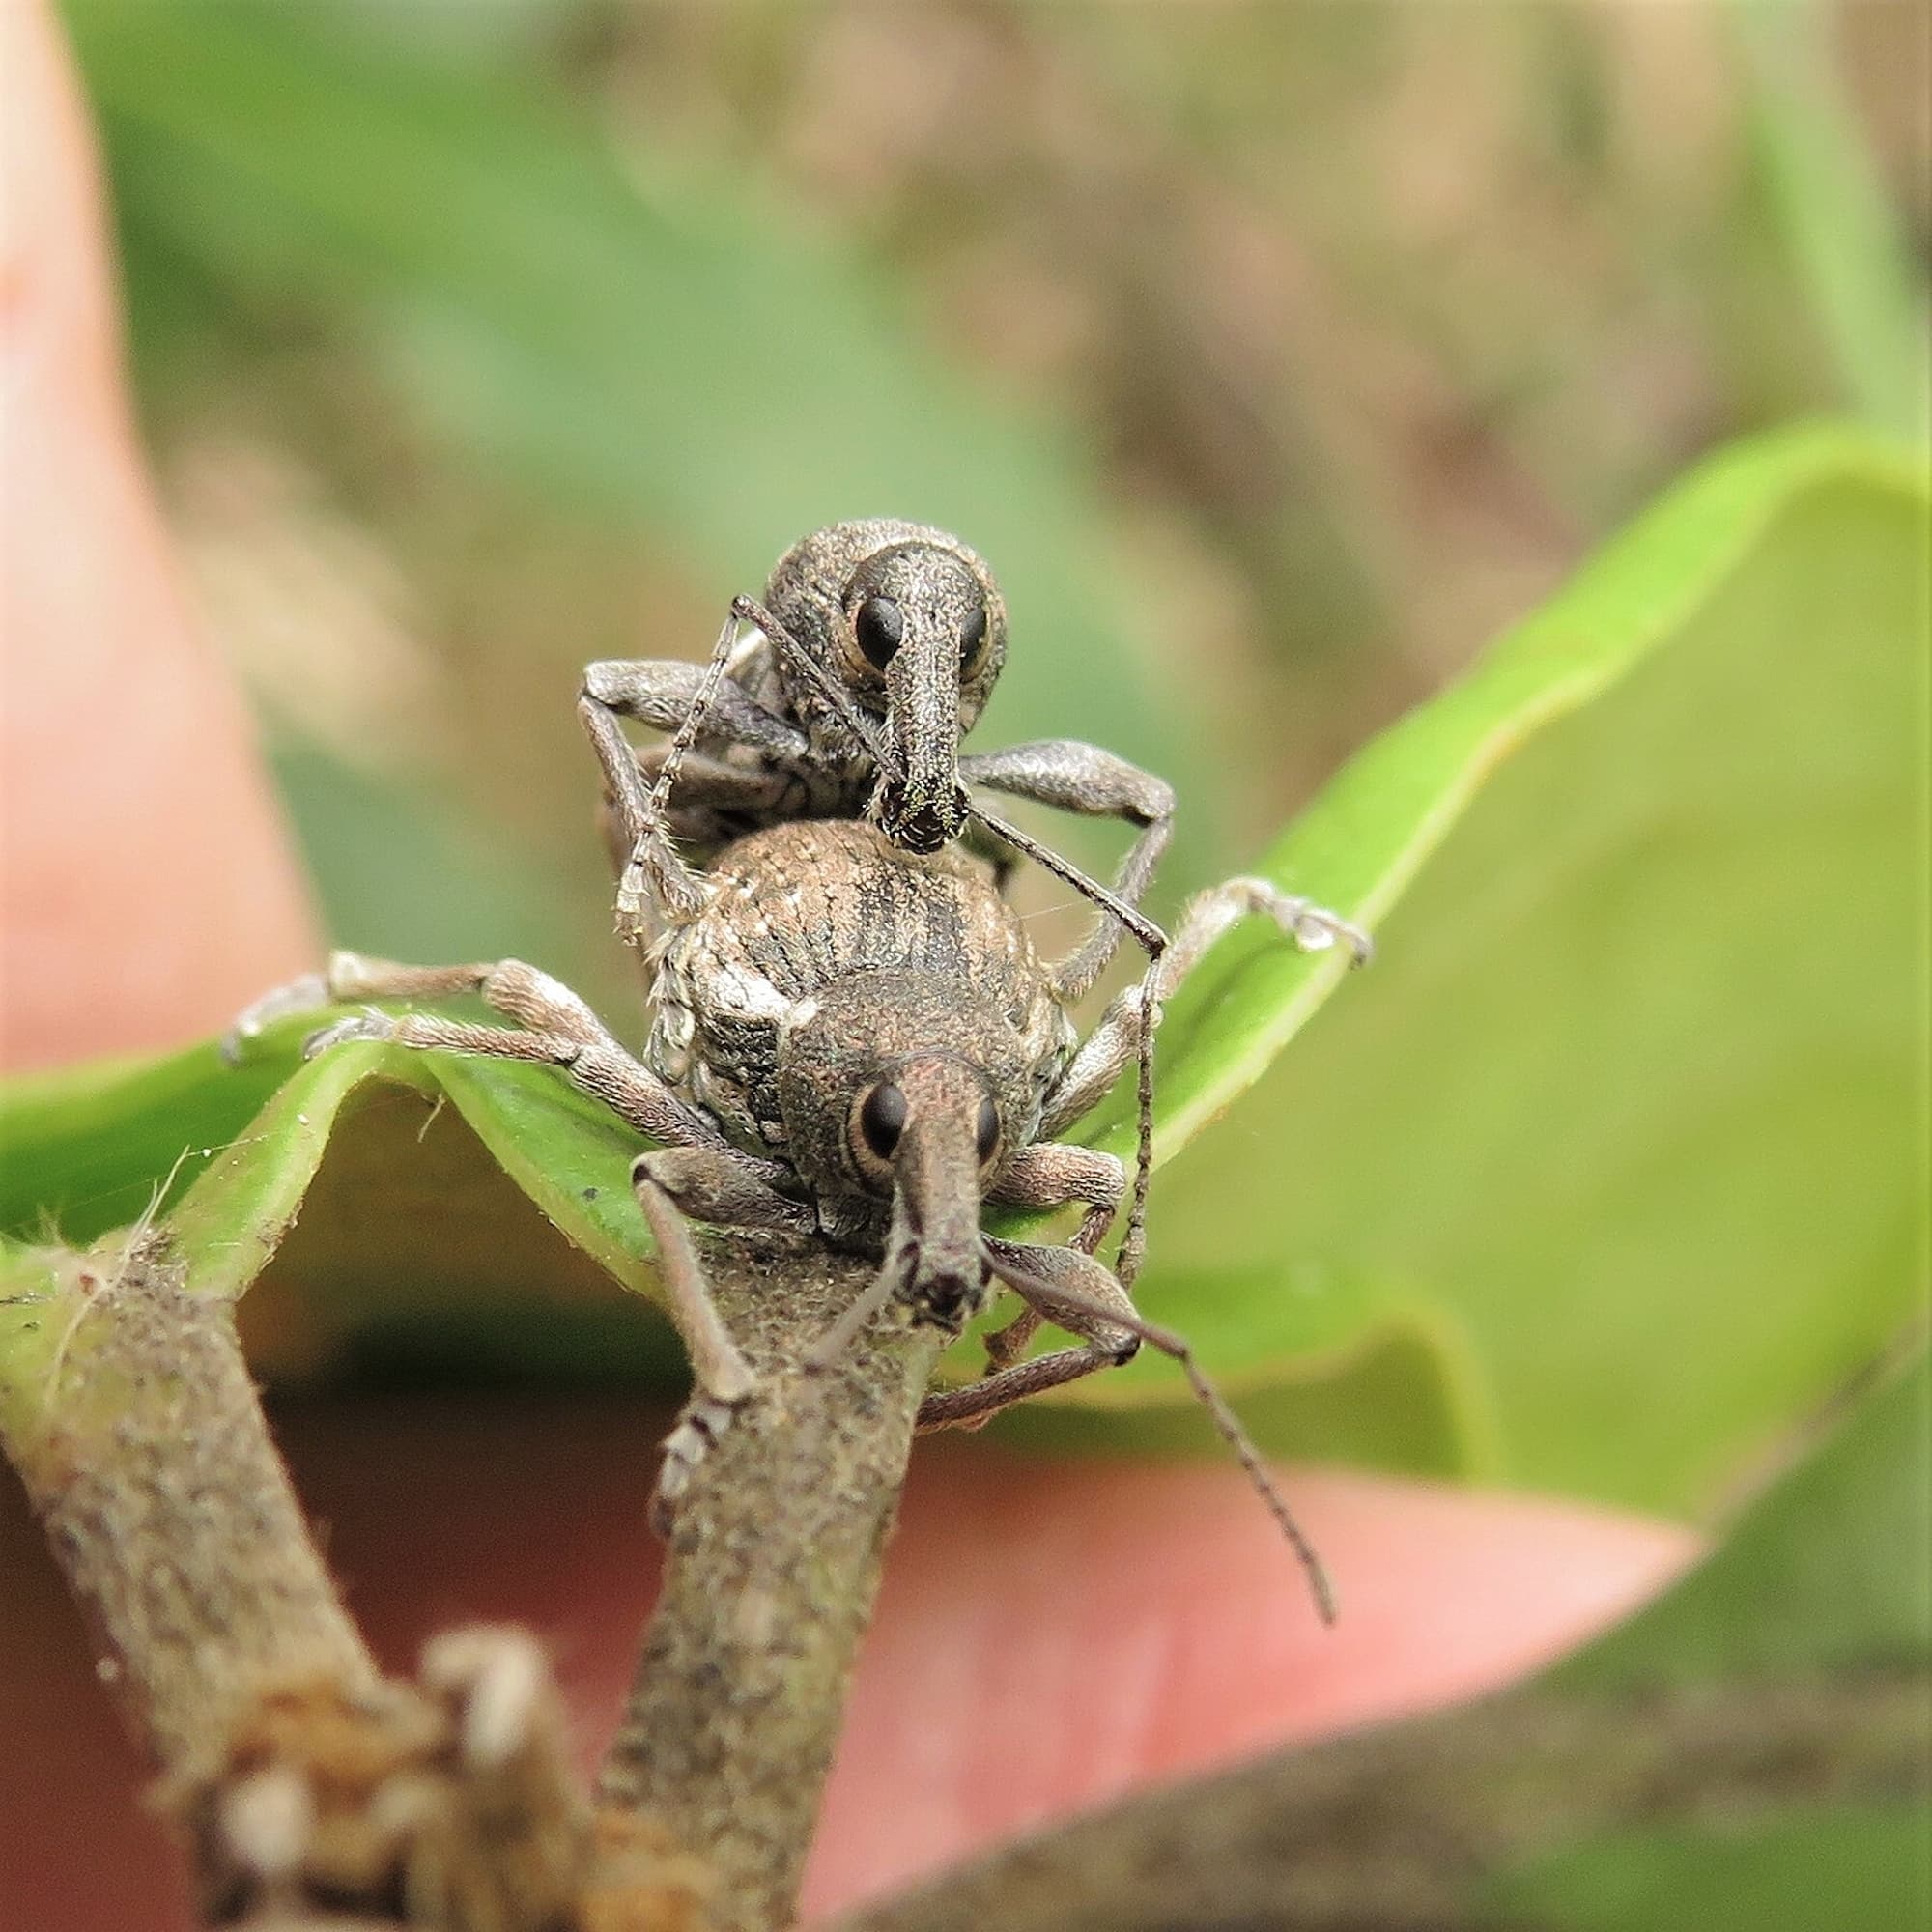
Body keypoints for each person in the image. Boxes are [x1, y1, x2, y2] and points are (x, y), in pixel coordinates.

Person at [0, 3, 1692, 1922]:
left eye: (946, 690)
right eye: (905, 683)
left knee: (1045, 1002)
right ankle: (422, 996)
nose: (930, 724)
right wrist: (661, 870)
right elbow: (629, 783)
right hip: (743, 841)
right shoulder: (783, 664)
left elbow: (1054, 842)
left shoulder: (951, 744)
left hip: (906, 963)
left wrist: (1123, 954)